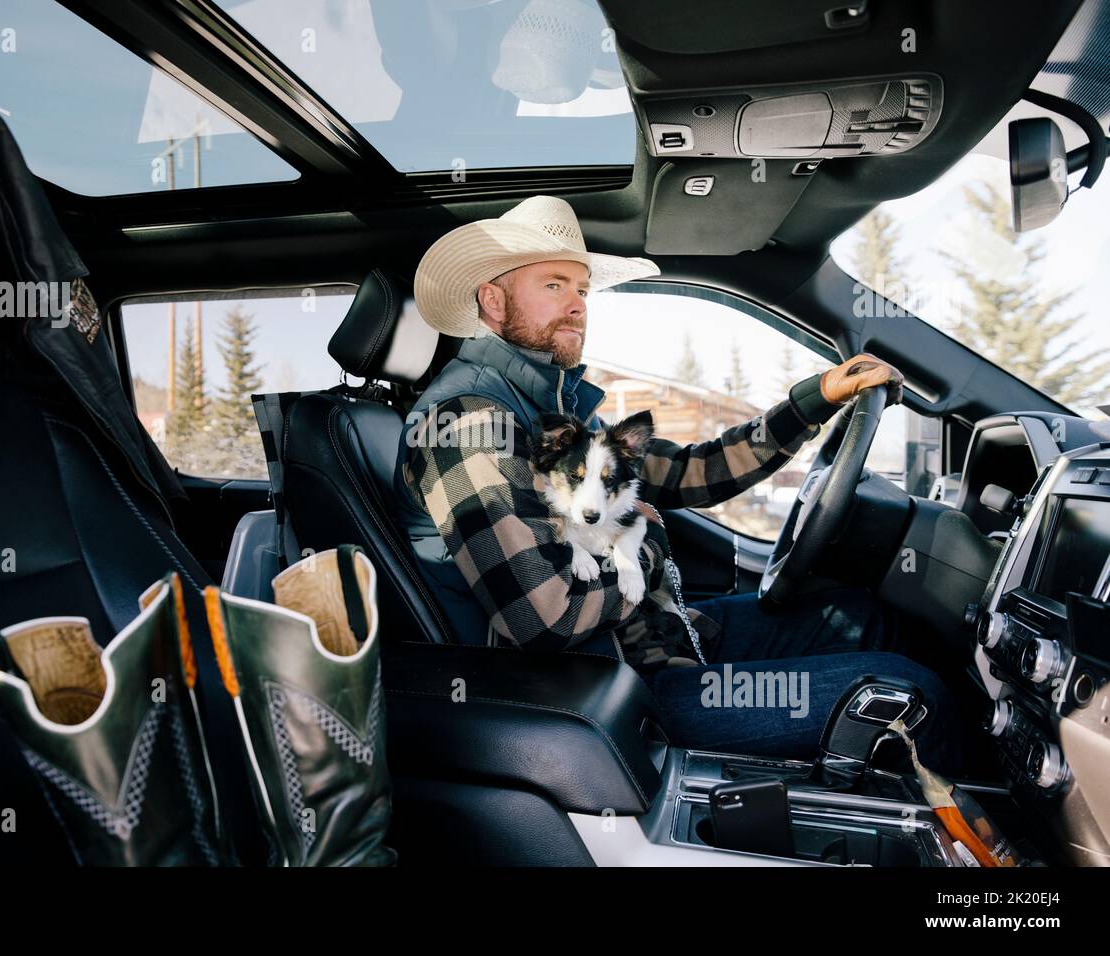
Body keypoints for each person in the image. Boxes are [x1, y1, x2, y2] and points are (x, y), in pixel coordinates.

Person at [392, 194, 962, 773]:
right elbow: (547, 618)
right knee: (911, 697)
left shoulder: (554, 409)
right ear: (493, 300)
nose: (577, 306)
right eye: (554, 285)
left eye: (583, 290)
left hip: (657, 642)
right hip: (612, 693)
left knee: (863, 618)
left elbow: (693, 470)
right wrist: (651, 539)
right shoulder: (471, 427)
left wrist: (815, 400)